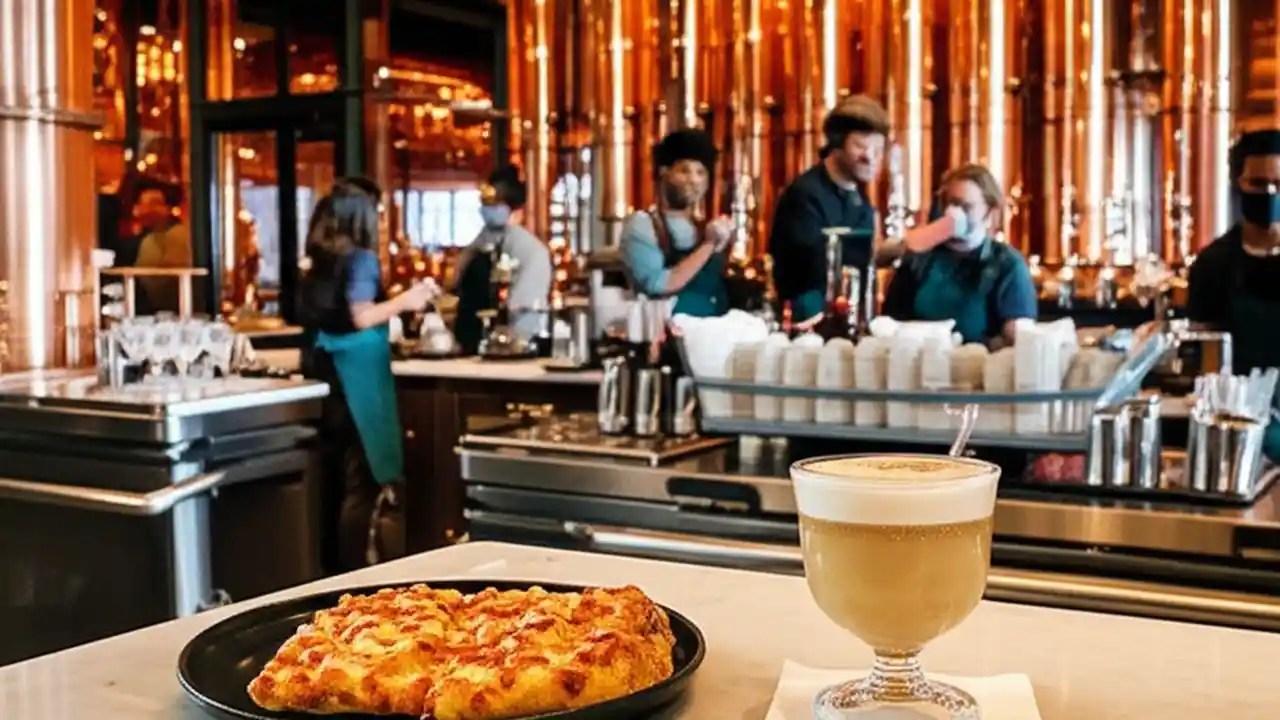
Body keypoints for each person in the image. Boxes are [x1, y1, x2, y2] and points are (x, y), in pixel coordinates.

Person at [296, 178, 438, 573]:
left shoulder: (317, 259)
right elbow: (362, 316)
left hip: (326, 374)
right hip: (357, 379)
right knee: (364, 480)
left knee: (338, 482)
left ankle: (330, 568)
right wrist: (408, 300)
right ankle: (357, 572)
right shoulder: (359, 259)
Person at [1185, 127, 1280, 459]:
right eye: (1258, 184)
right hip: (1237, 430)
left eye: (1279, 185)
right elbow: (1205, 359)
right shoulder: (1214, 264)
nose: (1270, 194)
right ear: (1238, 183)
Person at [881, 163, 1037, 346]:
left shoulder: (1007, 264)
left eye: (966, 206)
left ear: (990, 213)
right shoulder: (920, 258)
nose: (953, 213)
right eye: (949, 203)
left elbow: (1017, 333)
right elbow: (890, 323)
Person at [768, 95, 889, 326]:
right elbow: (813, 270)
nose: (870, 157)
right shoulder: (804, 195)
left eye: (878, 149)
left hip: (848, 317)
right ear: (836, 144)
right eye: (860, 146)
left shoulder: (860, 201)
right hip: (807, 322)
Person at [619, 128, 734, 317]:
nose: (693, 180)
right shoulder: (642, 226)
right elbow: (659, 285)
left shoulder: (704, 228)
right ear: (664, 171)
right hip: (670, 338)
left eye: (701, 173)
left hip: (715, 334)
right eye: (684, 171)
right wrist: (709, 244)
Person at [452, 166, 553, 354]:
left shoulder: (529, 249)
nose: (488, 209)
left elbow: (525, 309)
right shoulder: (481, 241)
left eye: (495, 203)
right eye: (486, 203)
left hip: (507, 347)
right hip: (471, 342)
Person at [132, 179, 191, 313]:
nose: (139, 211)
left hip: (169, 312)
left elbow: (173, 278)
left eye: (144, 206)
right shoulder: (148, 238)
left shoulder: (177, 235)